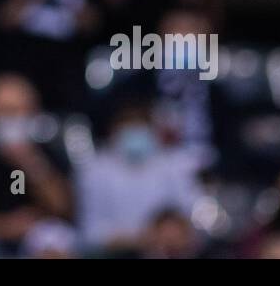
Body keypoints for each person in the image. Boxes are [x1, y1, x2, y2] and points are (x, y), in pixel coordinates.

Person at [0, 74, 73, 257]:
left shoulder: (48, 150)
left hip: (35, 239)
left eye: (21, 111)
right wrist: (4, 226)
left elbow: (62, 208)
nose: (14, 119)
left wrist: (29, 162)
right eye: (6, 112)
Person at [76, 101, 201, 253]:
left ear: (153, 131)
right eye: (128, 129)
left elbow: (190, 220)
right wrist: (140, 239)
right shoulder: (94, 171)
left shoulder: (176, 164)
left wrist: (169, 236)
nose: (135, 136)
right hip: (116, 254)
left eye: (140, 128)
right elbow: (90, 234)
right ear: (113, 133)